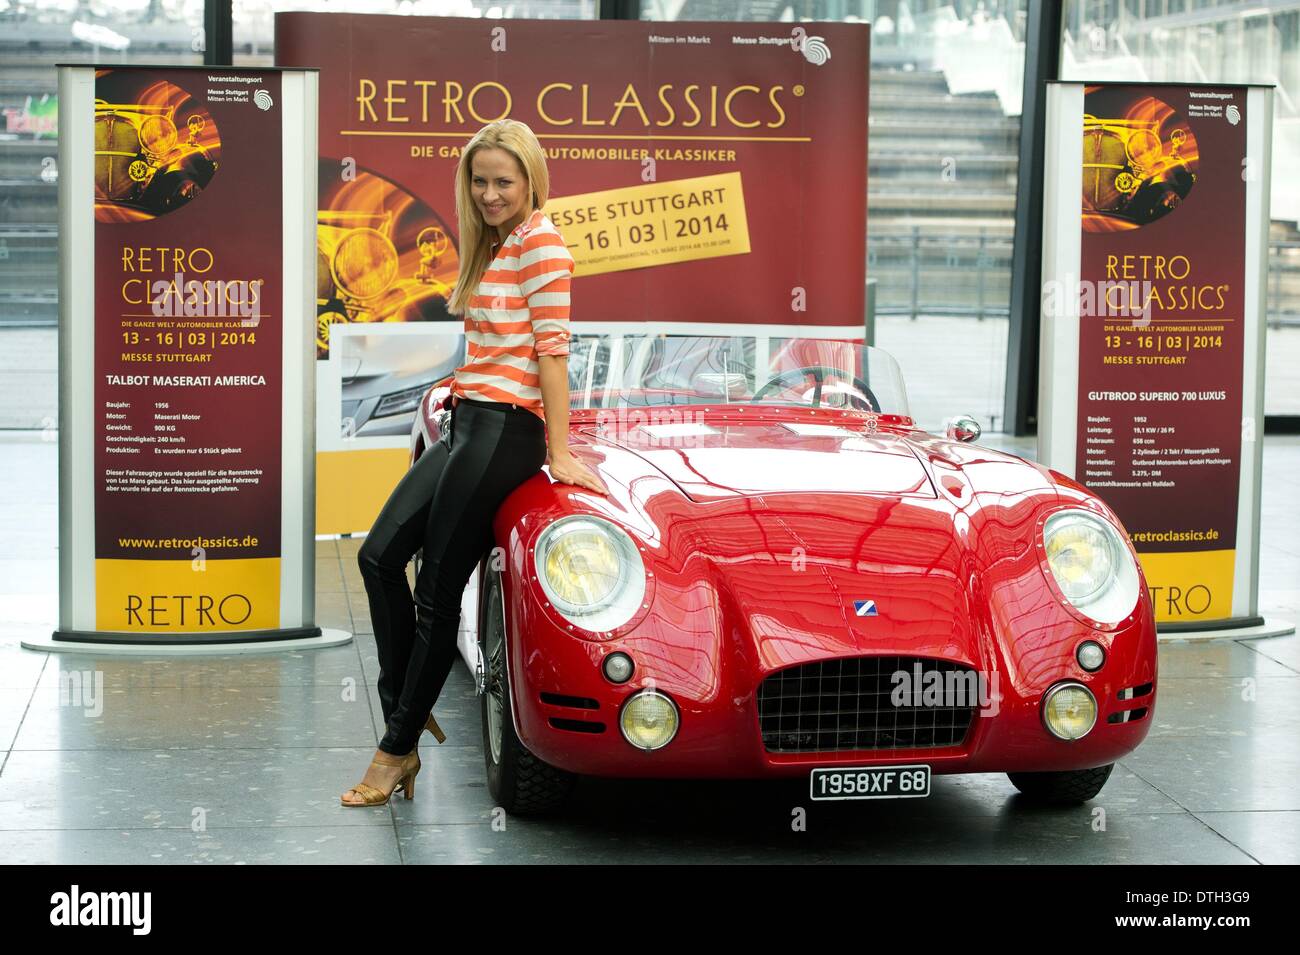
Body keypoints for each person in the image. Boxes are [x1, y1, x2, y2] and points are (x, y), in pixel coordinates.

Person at [341, 119, 607, 807]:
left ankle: (395, 750)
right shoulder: (498, 244)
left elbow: (553, 354)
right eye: (480, 181)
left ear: (531, 181)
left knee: (435, 589)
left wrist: (559, 450)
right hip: (469, 422)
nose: (490, 193)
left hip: (505, 431)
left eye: (504, 181)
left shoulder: (542, 244)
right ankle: (405, 701)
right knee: (377, 557)